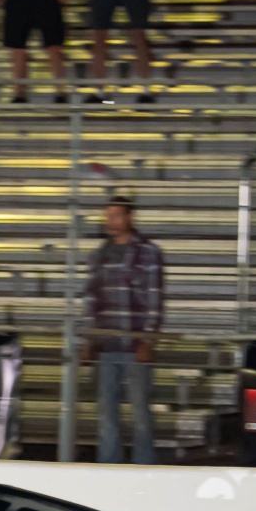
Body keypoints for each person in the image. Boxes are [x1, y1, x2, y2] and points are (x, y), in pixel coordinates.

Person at [84, 194, 164, 464]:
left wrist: (147, 340)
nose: (110, 220)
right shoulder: (99, 255)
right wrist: (90, 337)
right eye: (108, 215)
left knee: (140, 412)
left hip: (133, 346)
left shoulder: (148, 253)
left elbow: (154, 298)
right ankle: (109, 466)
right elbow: (91, 298)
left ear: (129, 218)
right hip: (107, 346)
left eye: (115, 215)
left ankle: (145, 465)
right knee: (107, 414)